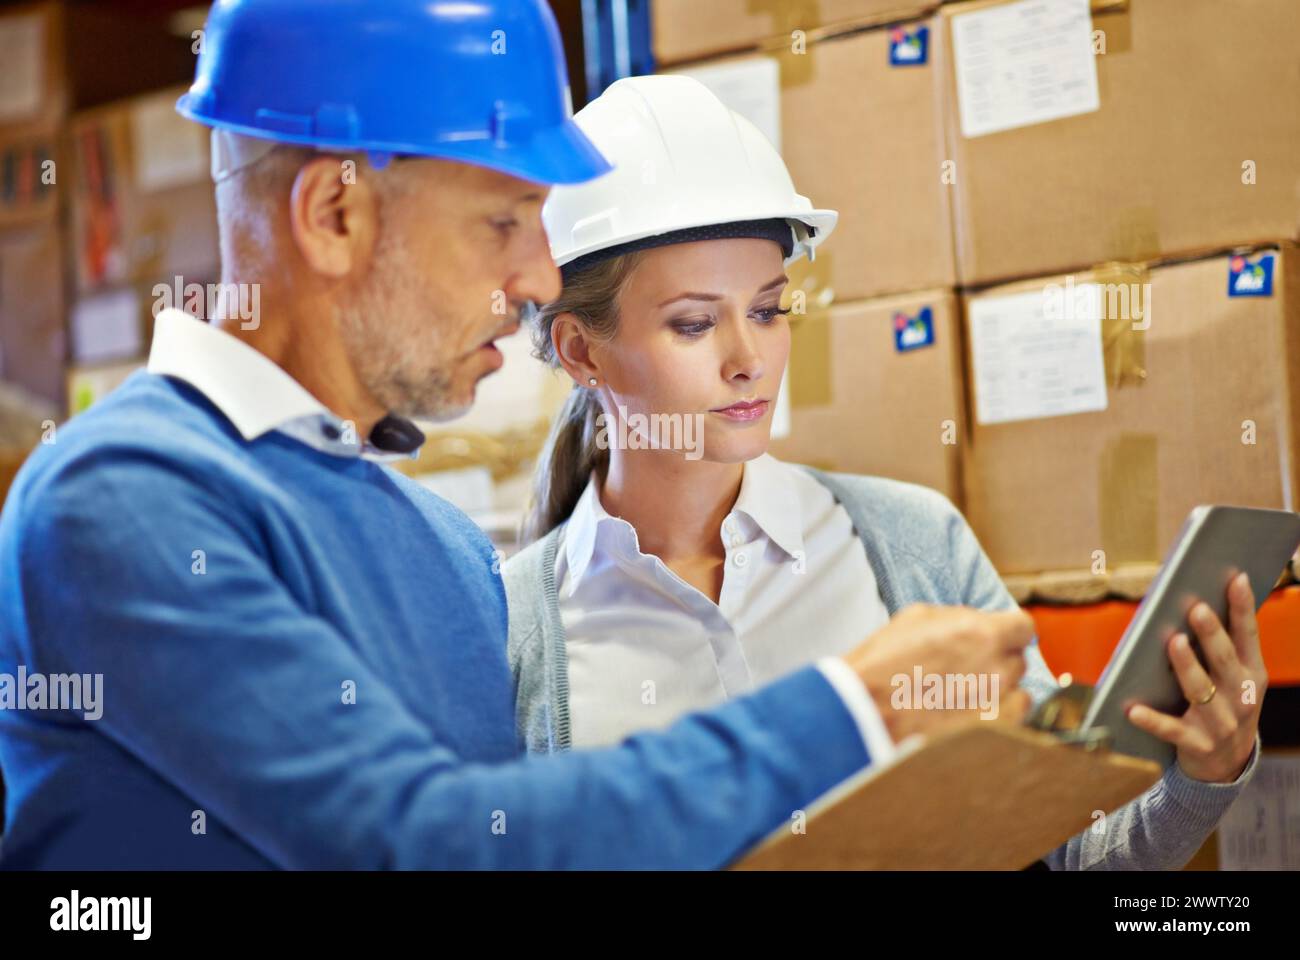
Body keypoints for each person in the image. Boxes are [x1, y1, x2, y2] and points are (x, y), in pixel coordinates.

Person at [0, 0, 1032, 869]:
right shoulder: (122, 496)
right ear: (334, 216)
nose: (539, 279)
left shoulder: (446, 550)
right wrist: (851, 711)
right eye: (504, 220)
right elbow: (422, 845)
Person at [503, 74, 1266, 870]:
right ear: (581, 351)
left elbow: (1074, 848)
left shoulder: (915, 544)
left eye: (767, 310)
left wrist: (1203, 774)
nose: (749, 359)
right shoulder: (516, 634)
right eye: (694, 324)